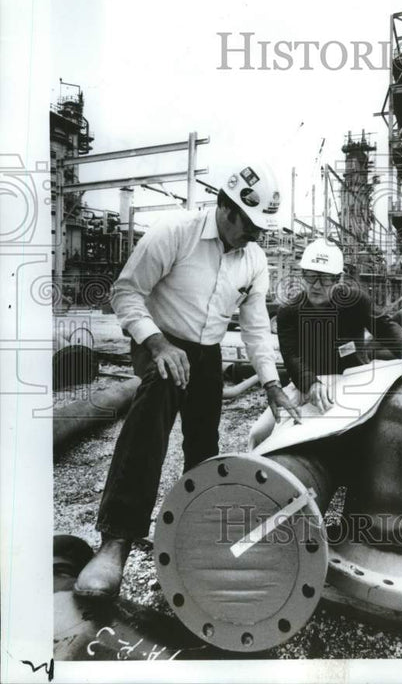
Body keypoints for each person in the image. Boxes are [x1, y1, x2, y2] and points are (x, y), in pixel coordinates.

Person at [74, 165, 300, 599]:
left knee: (204, 443)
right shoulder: (175, 232)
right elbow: (126, 292)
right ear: (226, 208)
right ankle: (117, 540)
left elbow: (255, 328)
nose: (256, 235)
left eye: (261, 228)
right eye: (250, 225)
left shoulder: (253, 259)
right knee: (151, 419)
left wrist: (272, 385)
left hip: (207, 351)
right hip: (159, 340)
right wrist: (158, 344)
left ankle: (196, 532)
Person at [248, 238, 402, 449]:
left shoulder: (355, 301)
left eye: (325, 279)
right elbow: (292, 356)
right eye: (310, 276)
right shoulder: (289, 312)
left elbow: (382, 325)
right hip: (308, 383)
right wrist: (310, 383)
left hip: (352, 379)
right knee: (258, 434)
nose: (316, 285)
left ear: (338, 279)